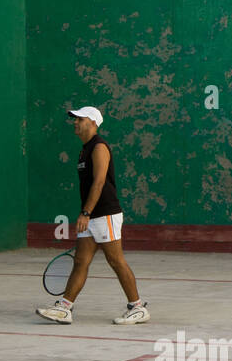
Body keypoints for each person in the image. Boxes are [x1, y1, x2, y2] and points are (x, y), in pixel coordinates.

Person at [36, 106, 149, 326]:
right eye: (74, 119)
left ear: (93, 122)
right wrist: (85, 213)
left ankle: (137, 307)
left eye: (80, 119)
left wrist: (86, 213)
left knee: (115, 260)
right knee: (80, 261)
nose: (75, 122)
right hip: (91, 215)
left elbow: (99, 182)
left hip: (104, 213)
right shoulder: (84, 149)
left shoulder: (99, 147)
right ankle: (65, 308)